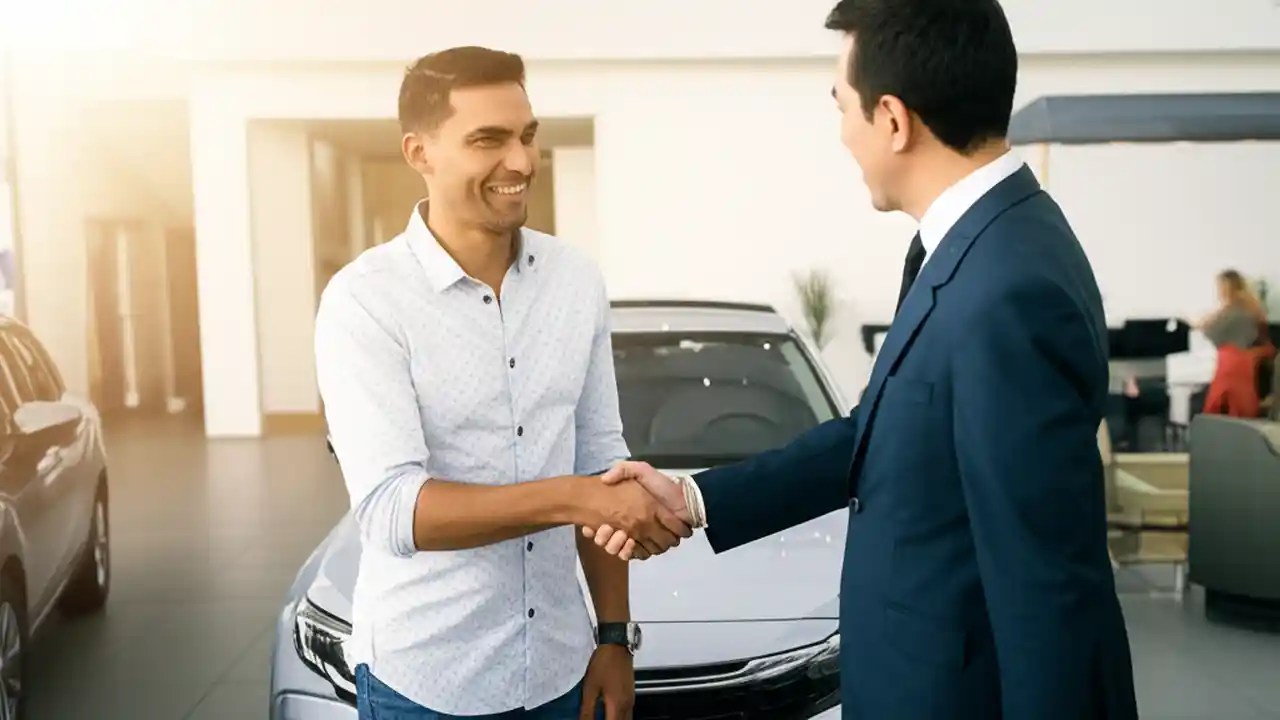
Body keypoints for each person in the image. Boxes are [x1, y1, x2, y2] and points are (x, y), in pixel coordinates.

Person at [585, 2, 1138, 718]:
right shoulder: (974, 247)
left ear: (894, 119)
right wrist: (694, 498)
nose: (842, 133)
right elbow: (872, 437)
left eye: (842, 107)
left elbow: (1050, 591)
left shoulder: (1009, 286)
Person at [314, 47, 689, 720]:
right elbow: (395, 510)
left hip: (558, 666)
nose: (519, 162)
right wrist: (575, 499)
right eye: (488, 139)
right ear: (418, 152)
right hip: (424, 683)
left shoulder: (576, 281)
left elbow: (601, 461)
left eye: (527, 136)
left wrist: (613, 635)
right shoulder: (364, 301)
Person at [1194, 269, 1271, 418]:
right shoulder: (1252, 307)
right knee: (1242, 408)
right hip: (1247, 362)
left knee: (1216, 408)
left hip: (1231, 362)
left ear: (1224, 287)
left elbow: (1208, 329)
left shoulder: (1231, 310)